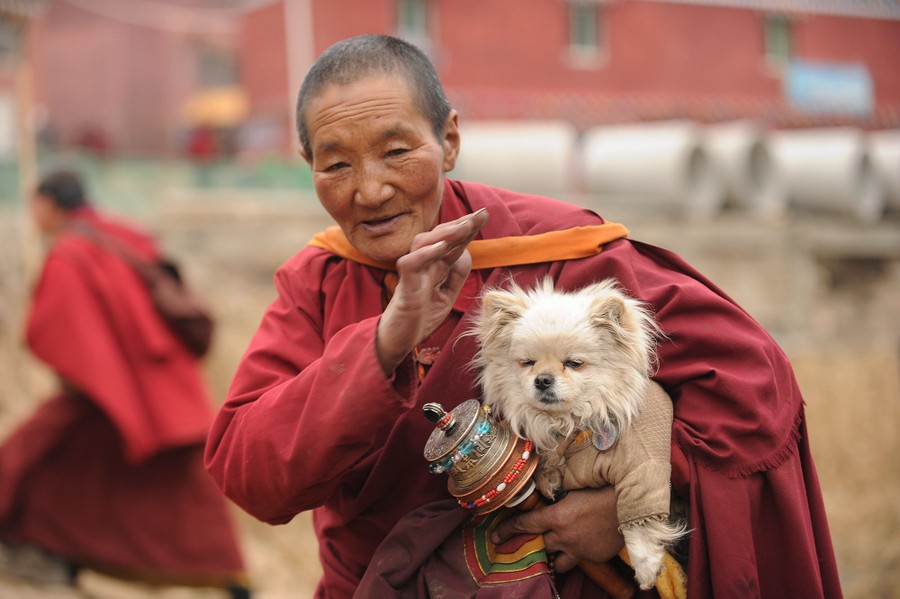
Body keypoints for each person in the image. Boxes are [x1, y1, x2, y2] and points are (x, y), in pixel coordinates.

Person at [205, 35, 842, 598]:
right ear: (309, 167)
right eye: (337, 163)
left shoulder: (550, 249)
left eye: (397, 152)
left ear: (449, 140)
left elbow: (753, 385)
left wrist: (624, 501)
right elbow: (249, 475)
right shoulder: (316, 283)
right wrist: (385, 340)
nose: (369, 190)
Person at [0, 170, 250, 598]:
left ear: (49, 205)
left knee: (33, 454)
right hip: (156, 387)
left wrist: (92, 384)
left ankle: (232, 582)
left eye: (36, 204)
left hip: (107, 392)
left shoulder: (71, 251)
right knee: (84, 472)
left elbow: (60, 330)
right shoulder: (117, 235)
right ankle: (60, 557)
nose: (33, 214)